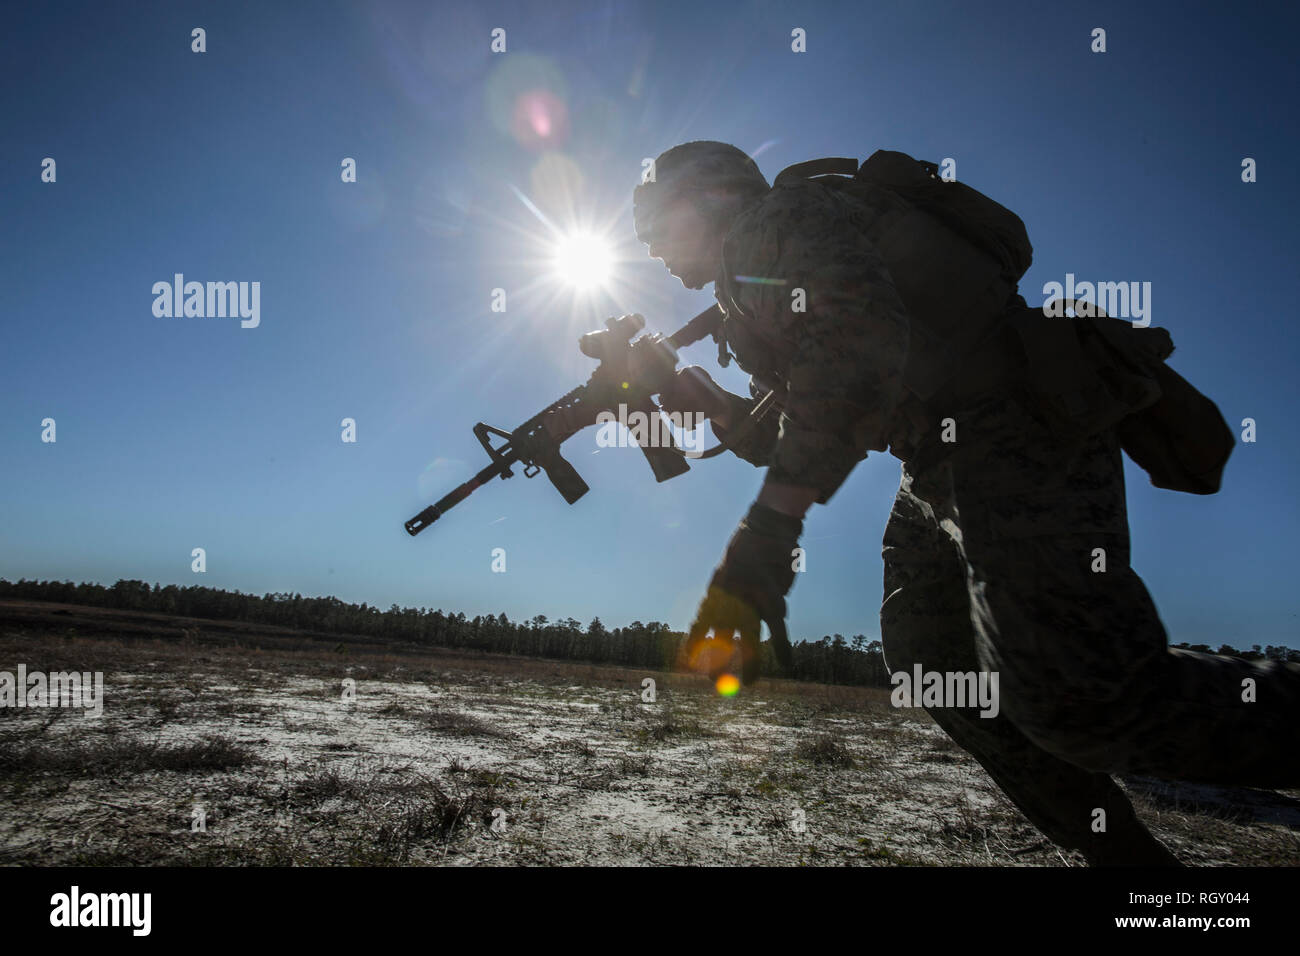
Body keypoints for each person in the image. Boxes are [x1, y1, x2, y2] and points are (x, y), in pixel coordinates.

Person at [633, 140, 1300, 866]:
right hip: (939, 455)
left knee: (1085, 698)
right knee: (934, 660)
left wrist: (767, 530)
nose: (655, 252)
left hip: (1011, 415)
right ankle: (1135, 867)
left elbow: (856, 357)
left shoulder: (770, 226)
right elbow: (796, 425)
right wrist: (691, 393)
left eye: (656, 229)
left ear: (708, 199)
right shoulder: (754, 277)